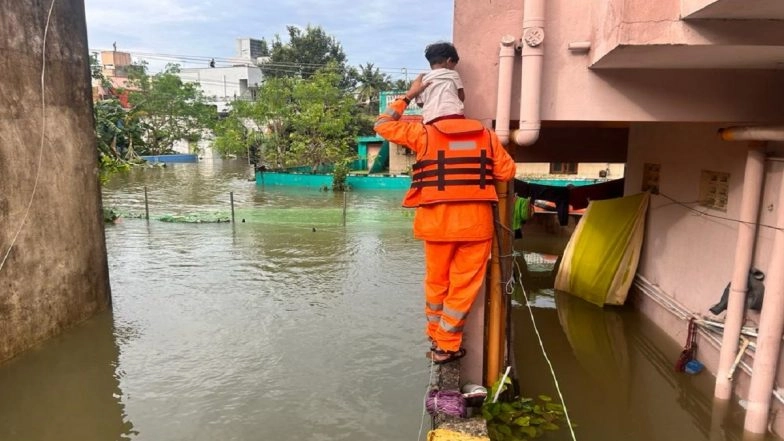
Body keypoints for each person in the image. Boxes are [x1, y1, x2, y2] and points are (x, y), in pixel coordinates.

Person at [374, 63, 517, 364]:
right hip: (476, 228)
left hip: (436, 226)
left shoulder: (423, 134)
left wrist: (408, 95)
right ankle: (446, 347)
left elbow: (382, 126)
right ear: (459, 99)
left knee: (436, 285)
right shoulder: (486, 135)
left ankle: (435, 338)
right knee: (463, 287)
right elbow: (507, 171)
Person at [415, 42, 465, 124]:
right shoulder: (453, 74)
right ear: (449, 61)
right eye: (453, 66)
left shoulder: (424, 79)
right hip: (454, 116)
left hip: (431, 119)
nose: (453, 69)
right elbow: (462, 97)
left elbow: (420, 103)